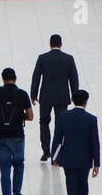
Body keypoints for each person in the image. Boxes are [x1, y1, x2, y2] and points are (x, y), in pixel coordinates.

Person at [0, 67, 33, 195]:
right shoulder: (22, 94)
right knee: (19, 165)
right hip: (18, 135)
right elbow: (30, 116)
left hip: (1, 136)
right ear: (15, 78)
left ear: (2, 78)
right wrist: (20, 117)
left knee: (5, 171)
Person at [52, 89, 100, 195]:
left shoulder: (63, 116)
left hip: (68, 158)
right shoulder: (91, 119)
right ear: (86, 102)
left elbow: (57, 138)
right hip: (85, 159)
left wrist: (55, 157)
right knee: (83, 186)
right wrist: (96, 163)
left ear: (72, 101)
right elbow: (94, 142)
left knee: (71, 187)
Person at [30, 34, 79, 162]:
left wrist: (33, 95)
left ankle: (46, 151)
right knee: (60, 124)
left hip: (46, 96)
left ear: (50, 44)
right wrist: (75, 95)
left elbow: (36, 77)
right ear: (61, 44)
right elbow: (74, 78)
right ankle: (57, 153)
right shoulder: (68, 59)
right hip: (62, 97)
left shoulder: (42, 58)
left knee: (44, 122)